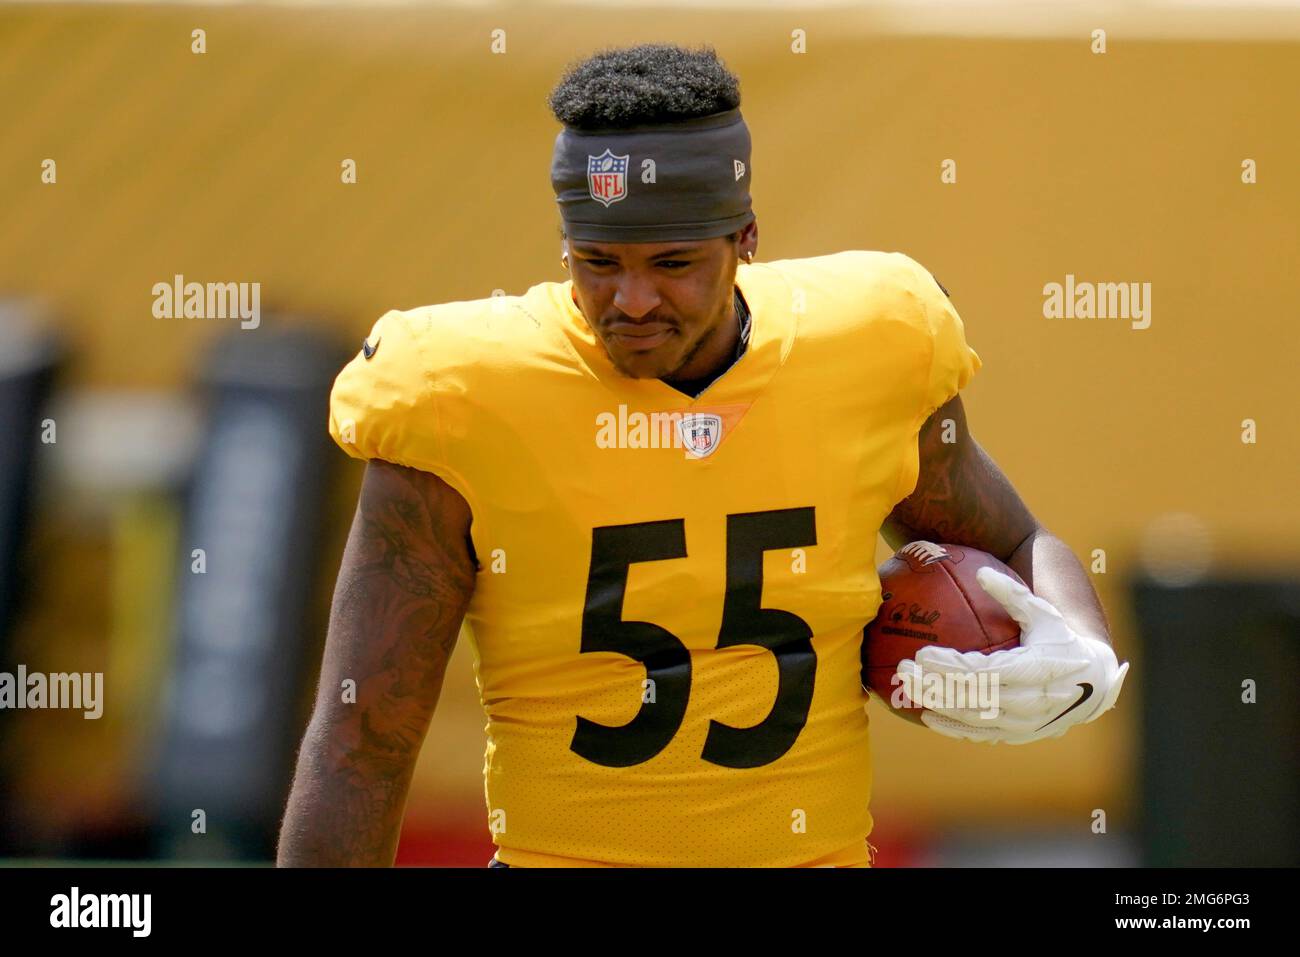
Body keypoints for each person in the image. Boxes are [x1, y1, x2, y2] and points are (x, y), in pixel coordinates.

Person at [276, 43, 1127, 869]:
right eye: (597, 263)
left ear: (746, 238)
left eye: (673, 264)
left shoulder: (873, 343)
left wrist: (1081, 649)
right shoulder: (460, 391)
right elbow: (363, 734)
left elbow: (1016, 539)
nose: (632, 300)